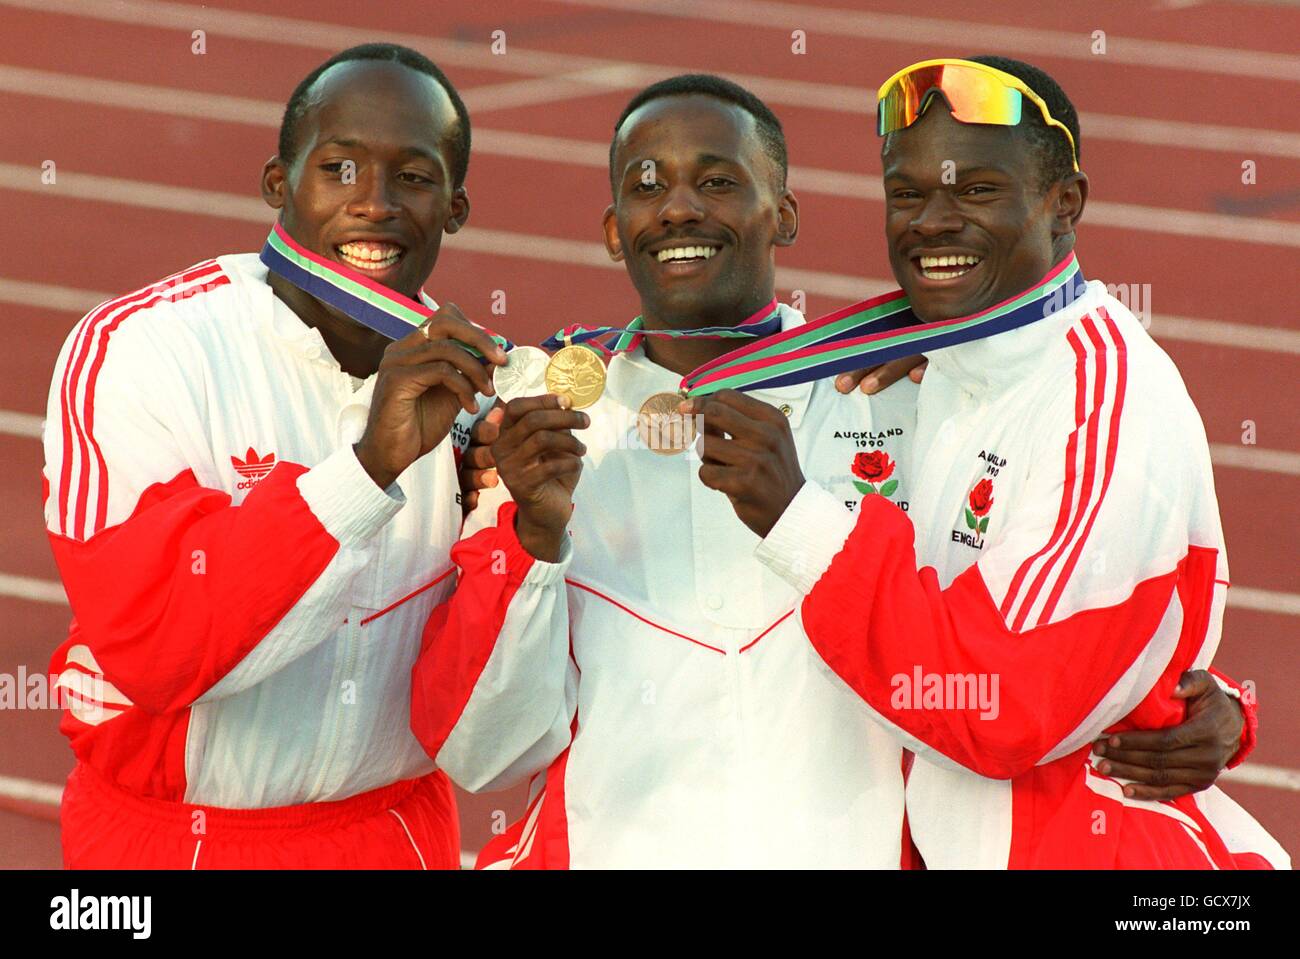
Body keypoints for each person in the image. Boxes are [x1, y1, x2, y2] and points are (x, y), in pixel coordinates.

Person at [418, 74, 1252, 868]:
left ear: (783, 215)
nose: (679, 208)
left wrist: (1193, 704)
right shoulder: (544, 428)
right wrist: (530, 540)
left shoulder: (904, 393)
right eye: (646, 186)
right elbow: (481, 749)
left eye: (716, 182)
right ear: (611, 228)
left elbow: (1033, 628)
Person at [694, 56, 1287, 869]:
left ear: (1064, 204)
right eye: (908, 194)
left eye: (976, 191)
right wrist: (1207, 699)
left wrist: (799, 520)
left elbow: (1001, 701)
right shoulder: (925, 363)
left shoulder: (1105, 400)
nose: (932, 221)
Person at [40, 43, 564, 869]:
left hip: (392, 837)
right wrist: (364, 471)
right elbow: (156, 646)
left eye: (415, 177)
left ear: (455, 207)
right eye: (340, 167)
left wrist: (529, 540)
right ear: (278, 185)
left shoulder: (486, 393)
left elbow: (488, 746)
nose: (376, 204)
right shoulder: (142, 348)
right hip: (168, 845)